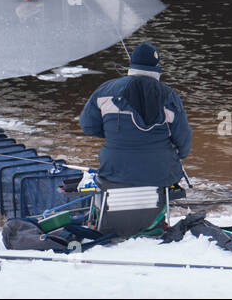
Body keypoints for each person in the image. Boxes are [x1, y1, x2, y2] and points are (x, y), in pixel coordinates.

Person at [79, 42, 192, 189]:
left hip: (112, 172)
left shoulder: (105, 91)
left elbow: (87, 126)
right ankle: (160, 207)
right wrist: (179, 154)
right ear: (157, 68)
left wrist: (115, 133)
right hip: (161, 174)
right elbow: (183, 137)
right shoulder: (170, 96)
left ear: (131, 66)